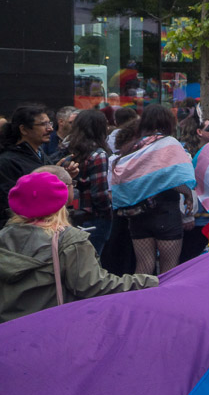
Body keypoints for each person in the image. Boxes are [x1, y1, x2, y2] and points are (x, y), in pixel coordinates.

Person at [0, 170, 157, 323]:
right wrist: (146, 282)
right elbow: (93, 286)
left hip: (8, 329)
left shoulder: (4, 235)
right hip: (47, 328)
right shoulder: (69, 240)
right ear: (60, 203)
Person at [109, 105, 197, 276]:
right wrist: (187, 193)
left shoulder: (133, 146)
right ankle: (164, 295)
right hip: (165, 213)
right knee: (169, 268)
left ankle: (139, 294)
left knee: (143, 265)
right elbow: (175, 178)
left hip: (137, 214)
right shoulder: (169, 143)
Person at [0, 106, 63, 221]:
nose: (50, 129)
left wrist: (60, 175)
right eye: (43, 124)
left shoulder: (40, 154)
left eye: (50, 123)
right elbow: (11, 203)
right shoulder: (7, 161)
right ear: (24, 129)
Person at [64, 109, 113, 254]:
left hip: (71, 215)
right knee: (93, 258)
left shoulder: (69, 150)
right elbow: (100, 193)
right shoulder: (98, 154)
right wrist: (108, 211)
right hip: (95, 217)